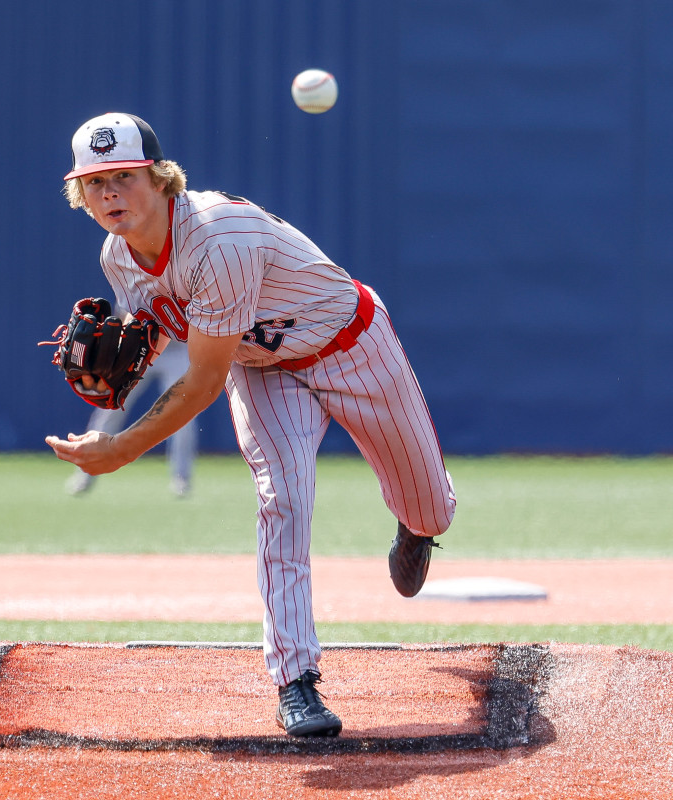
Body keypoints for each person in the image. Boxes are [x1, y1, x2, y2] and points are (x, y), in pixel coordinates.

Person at [45, 112, 456, 738]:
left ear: (160, 180)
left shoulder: (216, 239)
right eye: (95, 182)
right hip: (263, 371)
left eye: (124, 177)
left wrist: (122, 449)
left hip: (350, 345)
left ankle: (415, 527)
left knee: (431, 509)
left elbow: (203, 382)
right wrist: (124, 368)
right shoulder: (117, 256)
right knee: (282, 501)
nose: (109, 194)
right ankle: (296, 681)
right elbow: (159, 332)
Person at [65, 338, 198, 498]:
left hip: (175, 350)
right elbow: (124, 315)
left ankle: (181, 479)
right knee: (109, 408)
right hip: (141, 348)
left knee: (183, 415)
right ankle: (85, 472)